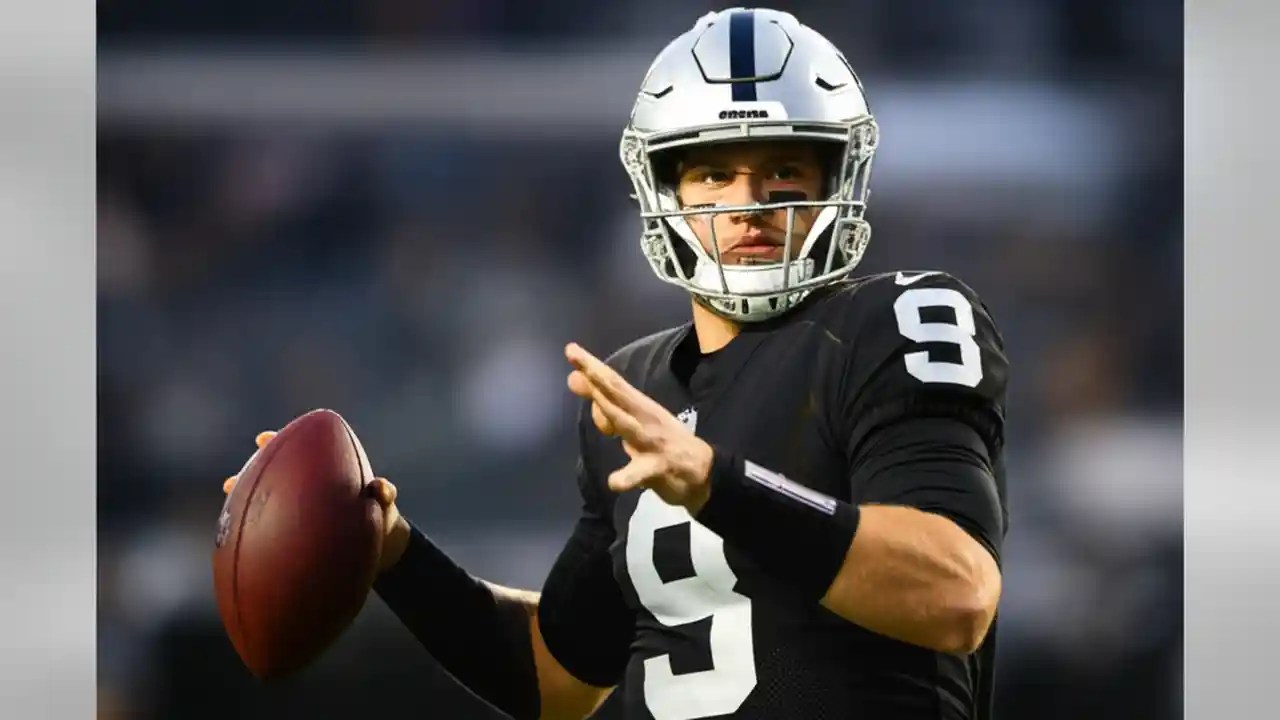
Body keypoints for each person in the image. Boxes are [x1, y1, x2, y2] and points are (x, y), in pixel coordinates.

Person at [224, 7, 1009, 719]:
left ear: (839, 178)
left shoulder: (893, 321)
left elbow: (956, 591)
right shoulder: (635, 387)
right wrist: (391, 550)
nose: (750, 201)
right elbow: (555, 679)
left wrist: (716, 482)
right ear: (660, 188)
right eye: (711, 172)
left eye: (785, 169)